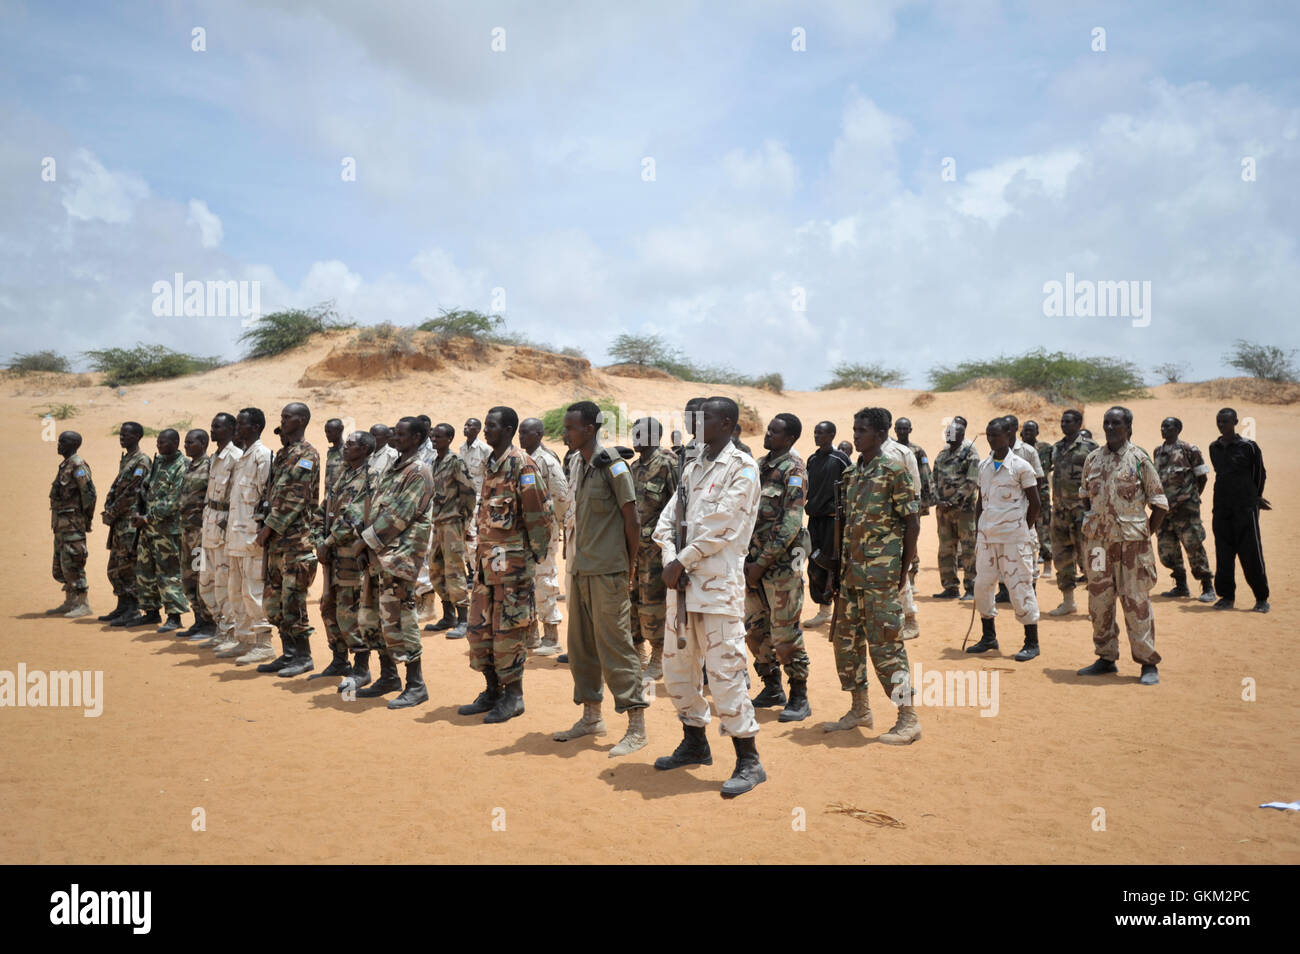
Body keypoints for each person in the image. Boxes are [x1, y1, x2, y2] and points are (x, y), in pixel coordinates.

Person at [652, 396, 766, 798]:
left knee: (725, 675)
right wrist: (671, 558)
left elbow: (724, 527)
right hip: (681, 591)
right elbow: (669, 519)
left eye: (705, 418)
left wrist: (680, 561)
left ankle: (748, 760)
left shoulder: (743, 468)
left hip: (716, 591)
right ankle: (695, 743)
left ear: (728, 423)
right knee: (678, 672)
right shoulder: (693, 467)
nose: (695, 423)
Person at [551, 401, 647, 756]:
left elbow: (632, 521)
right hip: (579, 570)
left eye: (570, 428)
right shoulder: (577, 463)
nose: (565, 433)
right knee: (581, 648)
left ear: (589, 429)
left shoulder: (615, 466)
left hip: (608, 571)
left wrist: (629, 567)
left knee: (616, 647)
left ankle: (637, 725)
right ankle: (591, 716)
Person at [823, 407, 921, 742]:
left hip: (881, 577)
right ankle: (859, 709)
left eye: (862, 430)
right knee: (846, 645)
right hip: (851, 577)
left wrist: (904, 570)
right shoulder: (851, 475)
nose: (856, 435)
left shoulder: (894, 471)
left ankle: (908, 718)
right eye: (854, 428)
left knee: (886, 647)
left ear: (880, 435)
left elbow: (912, 523)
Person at [457, 406, 552, 723]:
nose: (486, 430)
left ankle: (514, 696)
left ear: (509, 429)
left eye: (492, 426)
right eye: (485, 425)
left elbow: (539, 515)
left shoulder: (521, 464)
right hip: (486, 566)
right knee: (480, 632)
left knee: (509, 632)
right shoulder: (489, 463)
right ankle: (492, 690)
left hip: (513, 569)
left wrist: (532, 557)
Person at [1076, 407, 1167, 685]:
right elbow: (1085, 498)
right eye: (1106, 422)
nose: (1110, 427)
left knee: (1135, 602)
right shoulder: (1092, 459)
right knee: (1099, 601)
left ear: (1128, 426)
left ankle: (1147, 662)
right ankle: (1106, 657)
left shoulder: (1139, 459)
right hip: (1099, 547)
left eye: (1116, 423)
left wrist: (1146, 533)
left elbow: (1159, 503)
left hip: (1132, 547)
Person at [356, 417, 435, 707]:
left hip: (399, 558)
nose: (395, 437)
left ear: (416, 438)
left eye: (401, 434)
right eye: (394, 433)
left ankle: (416, 684)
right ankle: (389, 676)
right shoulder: (393, 467)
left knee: (401, 620)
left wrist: (363, 541)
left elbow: (398, 516)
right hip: (379, 556)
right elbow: (375, 507)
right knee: (373, 619)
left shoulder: (419, 471)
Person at [745, 413, 813, 721]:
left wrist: (762, 562)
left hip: (780, 566)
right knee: (754, 630)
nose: (768, 434)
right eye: (769, 429)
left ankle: (799, 695)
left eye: (775, 432)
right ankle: (772, 686)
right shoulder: (759, 466)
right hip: (752, 565)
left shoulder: (794, 470)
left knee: (785, 634)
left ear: (790, 439)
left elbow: (791, 523)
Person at [255, 403, 322, 678]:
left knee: (293, 602)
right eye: (281, 416)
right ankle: (288, 654)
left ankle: (303, 656)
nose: (282, 421)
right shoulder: (282, 454)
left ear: (302, 420)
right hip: (277, 544)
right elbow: (273, 496)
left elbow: (294, 499)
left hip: (296, 542)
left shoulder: (307, 455)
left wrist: (267, 529)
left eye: (287, 417)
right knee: (274, 603)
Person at [966, 418, 1041, 660]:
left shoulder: (1021, 467)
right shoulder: (984, 466)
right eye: (988, 435)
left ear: (1008, 436)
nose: (991, 439)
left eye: (995, 435)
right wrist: (980, 530)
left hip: (1014, 541)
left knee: (1020, 587)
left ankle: (1031, 641)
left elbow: (1036, 504)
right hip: (988, 539)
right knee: (982, 587)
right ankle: (989, 636)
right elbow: (981, 501)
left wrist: (1022, 530)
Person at [312, 429, 377, 685]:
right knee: (328, 607)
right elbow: (323, 510)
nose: (345, 447)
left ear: (364, 449)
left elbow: (354, 518)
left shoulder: (370, 478)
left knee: (350, 611)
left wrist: (327, 542)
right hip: (332, 556)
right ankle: (339, 660)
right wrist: (319, 539)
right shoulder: (343, 476)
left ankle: (361, 668)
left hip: (352, 557)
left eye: (351, 444)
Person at [115, 429, 189, 631]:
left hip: (167, 529)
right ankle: (151, 612)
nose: (159, 445)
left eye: (163, 442)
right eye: (157, 442)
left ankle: (174, 616)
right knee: (145, 570)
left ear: (175, 442)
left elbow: (174, 501)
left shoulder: (181, 466)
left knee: (168, 573)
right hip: (147, 529)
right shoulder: (158, 462)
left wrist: (148, 517)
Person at [218, 408, 274, 662]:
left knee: (253, 592)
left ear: (255, 427)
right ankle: (244, 639)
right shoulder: (242, 458)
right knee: (236, 591)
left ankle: (264, 643)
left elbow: (267, 497)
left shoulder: (262, 456)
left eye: (241, 424)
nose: (236, 427)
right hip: (235, 537)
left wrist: (262, 532)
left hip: (252, 537)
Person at [627, 417, 678, 678]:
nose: (634, 437)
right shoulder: (633, 468)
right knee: (632, 602)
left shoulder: (668, 465)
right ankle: (638, 654)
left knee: (653, 605)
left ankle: (658, 658)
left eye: (639, 433)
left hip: (656, 551)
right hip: (633, 550)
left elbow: (678, 508)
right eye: (633, 432)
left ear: (653, 437)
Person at [1209, 408, 1269, 612]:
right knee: (1223, 553)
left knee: (1251, 552)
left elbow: (1259, 474)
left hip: (1245, 508)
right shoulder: (1214, 447)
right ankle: (1226, 596)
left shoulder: (1249, 447)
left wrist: (1255, 497)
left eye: (1225, 421)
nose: (1221, 424)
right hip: (1221, 508)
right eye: (1219, 421)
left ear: (1235, 421)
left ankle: (1261, 598)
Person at [518, 417, 570, 655]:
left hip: (544, 532)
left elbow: (561, 496)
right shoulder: (521, 459)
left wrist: (554, 526)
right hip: (525, 532)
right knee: (527, 583)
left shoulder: (546, 460)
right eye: (520, 433)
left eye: (527, 433)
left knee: (544, 581)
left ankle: (551, 636)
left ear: (539, 434)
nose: (522, 437)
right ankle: (532, 634)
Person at [1153, 416, 1215, 602]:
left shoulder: (1189, 450)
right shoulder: (1158, 451)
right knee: (1167, 548)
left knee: (1193, 545)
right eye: (1163, 426)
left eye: (1169, 426)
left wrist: (1191, 498)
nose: (1164, 429)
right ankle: (1181, 586)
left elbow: (1201, 477)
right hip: (1164, 510)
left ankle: (1207, 586)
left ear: (1178, 429)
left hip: (1186, 510)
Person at [423, 423, 476, 638]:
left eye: (439, 437)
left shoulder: (455, 462)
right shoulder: (435, 462)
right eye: (433, 436)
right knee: (436, 570)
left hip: (452, 523)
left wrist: (463, 520)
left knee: (454, 571)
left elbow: (469, 492)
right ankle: (448, 615)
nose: (434, 440)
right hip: (437, 523)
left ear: (449, 438)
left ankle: (464, 620)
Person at [193, 412, 241, 643]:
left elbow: (238, 496)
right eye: (212, 426)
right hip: (207, 526)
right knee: (205, 584)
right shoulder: (215, 456)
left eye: (218, 427)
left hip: (223, 529)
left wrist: (227, 524)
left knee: (224, 585)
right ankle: (220, 627)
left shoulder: (236, 456)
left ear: (232, 429)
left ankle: (230, 633)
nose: (212, 430)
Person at [97, 422, 149, 623]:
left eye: (126, 434)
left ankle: (133, 609)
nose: (122, 437)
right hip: (119, 523)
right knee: (116, 566)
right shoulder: (127, 459)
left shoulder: (141, 461)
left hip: (129, 522)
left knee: (128, 565)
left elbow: (132, 493)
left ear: (137, 436)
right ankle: (122, 605)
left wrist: (112, 511)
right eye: (120, 434)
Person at [1048, 410, 1099, 616]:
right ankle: (1068, 602)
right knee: (1062, 557)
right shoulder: (1057, 448)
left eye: (1068, 421)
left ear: (1079, 423)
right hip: (1060, 511)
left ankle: (1095, 605)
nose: (1063, 424)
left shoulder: (1091, 448)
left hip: (1082, 511)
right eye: (1062, 421)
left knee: (1089, 558)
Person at [804, 422, 852, 629]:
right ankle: (823, 610)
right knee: (814, 563)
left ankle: (841, 611)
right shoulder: (812, 459)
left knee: (835, 564)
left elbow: (851, 485)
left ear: (832, 435)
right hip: (814, 520)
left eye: (821, 433)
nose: (817, 436)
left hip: (833, 522)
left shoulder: (840, 459)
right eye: (815, 432)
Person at [47, 430, 96, 618]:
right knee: (63, 562)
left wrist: (86, 519)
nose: (59, 444)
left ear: (74, 444)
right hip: (61, 524)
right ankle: (70, 602)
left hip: (73, 523)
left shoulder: (78, 465)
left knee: (74, 560)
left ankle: (83, 604)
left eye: (63, 441)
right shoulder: (65, 465)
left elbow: (89, 494)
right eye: (59, 441)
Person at [931, 418, 980, 599]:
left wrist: (954, 500)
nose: (950, 436)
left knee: (968, 549)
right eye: (948, 433)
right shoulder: (942, 455)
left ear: (962, 434)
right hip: (943, 511)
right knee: (946, 549)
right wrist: (939, 500)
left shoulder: (970, 454)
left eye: (954, 433)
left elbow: (972, 481)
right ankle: (950, 586)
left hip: (964, 510)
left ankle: (971, 587)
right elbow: (932, 479)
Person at [177, 429, 213, 635]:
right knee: (188, 577)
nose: (186, 445)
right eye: (186, 442)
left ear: (203, 443)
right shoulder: (188, 466)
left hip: (201, 532)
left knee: (202, 577)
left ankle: (209, 623)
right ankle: (198, 619)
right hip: (186, 531)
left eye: (190, 442)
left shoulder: (208, 467)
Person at [894, 417, 934, 590]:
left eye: (905, 429)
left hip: (912, 501)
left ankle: (911, 577)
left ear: (910, 430)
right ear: (895, 430)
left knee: (912, 538)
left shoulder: (917, 451)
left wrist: (925, 501)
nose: (902, 432)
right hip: (894, 501)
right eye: (899, 429)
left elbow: (925, 475)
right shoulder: (891, 449)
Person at [459, 417, 492, 581]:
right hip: (463, 498)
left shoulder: (485, 450)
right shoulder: (462, 448)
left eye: (470, 425)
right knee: (462, 535)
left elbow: (490, 474)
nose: (466, 428)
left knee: (473, 535)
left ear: (478, 429)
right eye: (465, 425)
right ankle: (470, 570)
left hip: (478, 497)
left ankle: (478, 572)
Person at [1020, 420, 1053, 574]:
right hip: (1022, 497)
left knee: (1044, 528)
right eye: (1025, 431)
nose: (1028, 433)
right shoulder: (1017, 451)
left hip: (1043, 494)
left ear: (1037, 432)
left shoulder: (1046, 449)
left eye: (1031, 431)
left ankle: (1047, 560)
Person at [323, 418, 345, 493]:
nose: (327, 435)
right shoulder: (330, 452)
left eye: (329, 432)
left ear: (340, 431)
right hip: (329, 497)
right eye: (326, 432)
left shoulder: (347, 452)